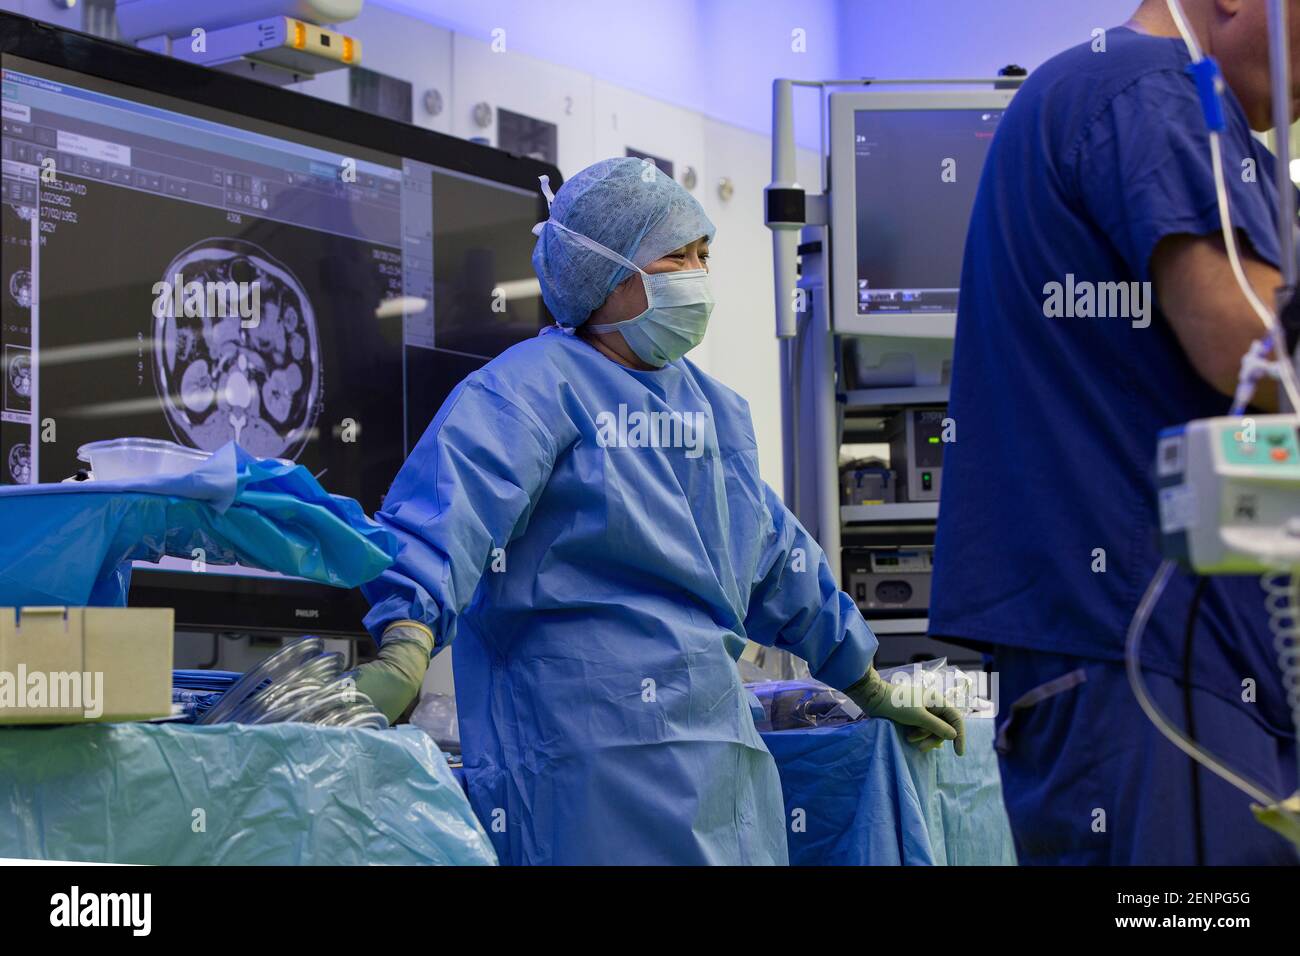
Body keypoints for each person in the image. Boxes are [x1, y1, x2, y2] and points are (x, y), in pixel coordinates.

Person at [351, 156, 964, 865]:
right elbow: (450, 511)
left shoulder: (712, 414)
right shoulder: (526, 392)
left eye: (704, 255)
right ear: (600, 275)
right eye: (676, 256)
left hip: (716, 758)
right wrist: (404, 643)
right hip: (581, 760)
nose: (697, 276)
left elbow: (776, 559)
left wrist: (867, 682)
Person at [930, 0, 1300, 864]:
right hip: (1151, 654)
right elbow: (1247, 346)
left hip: (1169, 652)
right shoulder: (1149, 92)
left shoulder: (1168, 110)